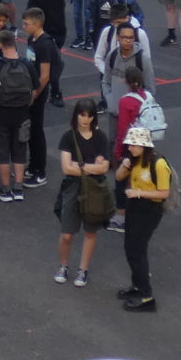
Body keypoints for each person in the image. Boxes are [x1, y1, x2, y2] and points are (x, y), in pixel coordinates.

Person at [53, 99, 112, 286]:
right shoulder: (68, 137)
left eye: (89, 115)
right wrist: (93, 167)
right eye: (82, 114)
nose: (85, 119)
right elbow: (66, 169)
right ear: (76, 115)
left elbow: (104, 168)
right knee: (67, 234)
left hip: (93, 190)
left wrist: (80, 167)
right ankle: (63, 265)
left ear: (93, 117)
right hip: (72, 188)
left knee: (90, 232)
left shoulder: (101, 137)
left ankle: (83, 269)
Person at [114, 126, 171, 312]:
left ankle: (146, 295)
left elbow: (164, 192)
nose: (130, 148)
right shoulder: (134, 160)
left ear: (144, 145)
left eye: (134, 145)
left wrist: (139, 192)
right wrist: (125, 165)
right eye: (130, 144)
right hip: (134, 207)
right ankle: (137, 287)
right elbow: (118, 177)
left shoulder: (159, 164)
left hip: (149, 210)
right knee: (130, 249)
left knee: (137, 250)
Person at [0, 29, 35, 204]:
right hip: (22, 114)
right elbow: (34, 91)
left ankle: (5, 190)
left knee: (2, 152)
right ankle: (18, 188)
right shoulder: (27, 65)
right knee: (20, 151)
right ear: (15, 42)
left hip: (0, 114)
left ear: (0, 45)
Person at [18, 7, 61, 188]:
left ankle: (39, 170)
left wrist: (34, 94)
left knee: (36, 131)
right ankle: (33, 164)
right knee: (31, 131)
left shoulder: (45, 44)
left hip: (37, 94)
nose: (24, 26)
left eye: (26, 24)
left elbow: (44, 75)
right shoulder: (32, 40)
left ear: (37, 24)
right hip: (31, 90)